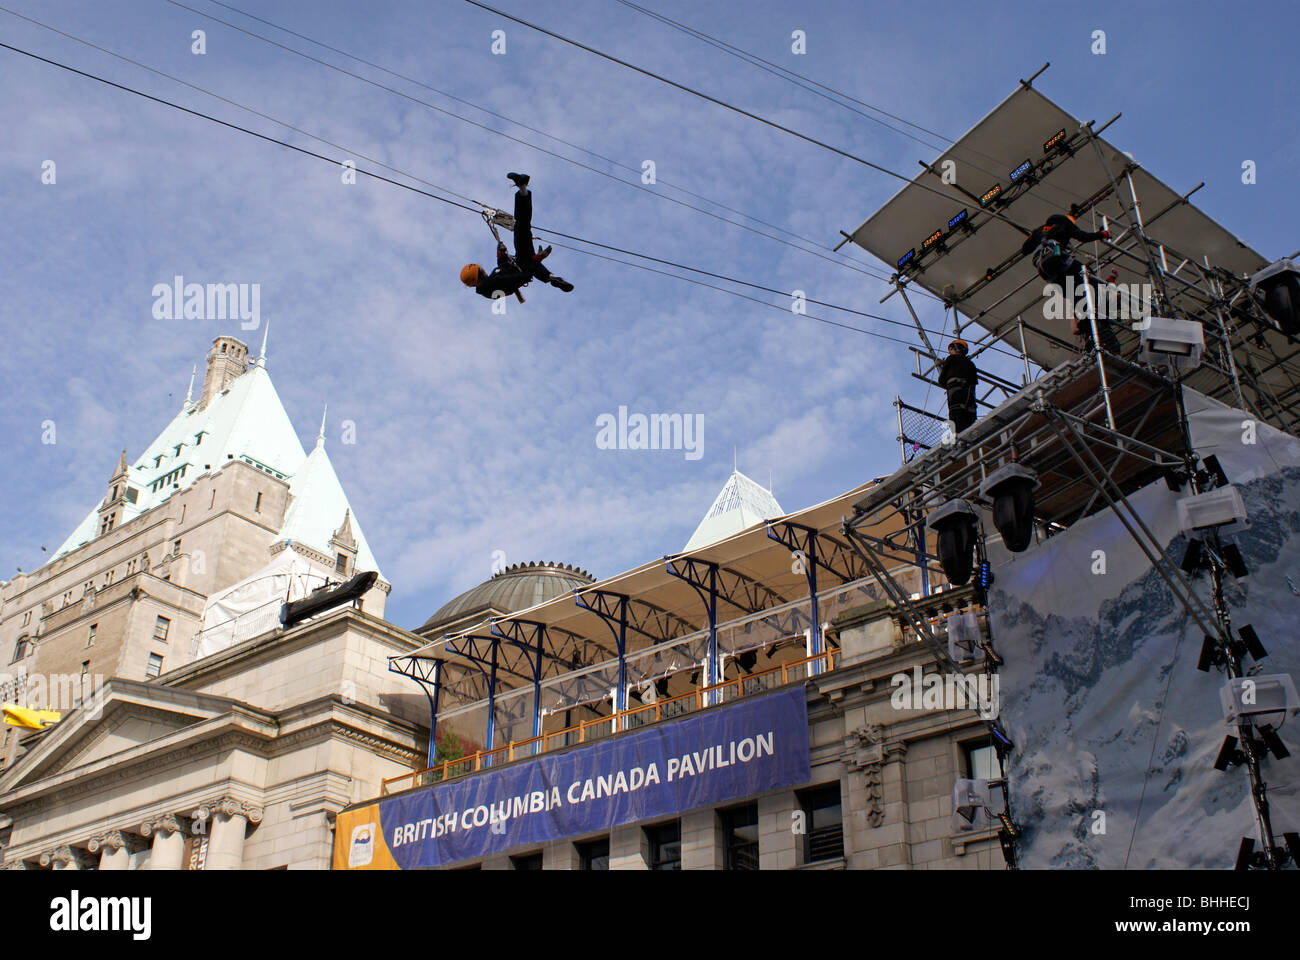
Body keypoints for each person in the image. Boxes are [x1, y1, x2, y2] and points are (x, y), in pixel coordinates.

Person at [460, 173, 574, 300]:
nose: (483, 269)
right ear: (478, 275)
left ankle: (522, 188)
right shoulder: (491, 286)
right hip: (523, 267)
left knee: (522, 227)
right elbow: (521, 277)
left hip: (520, 263)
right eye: (480, 269)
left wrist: (500, 255)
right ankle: (549, 277)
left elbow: (503, 268)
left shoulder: (490, 282)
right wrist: (536, 260)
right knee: (522, 230)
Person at [1020, 212, 1119, 354]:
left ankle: (1087, 320)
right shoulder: (1064, 225)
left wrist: (1036, 236)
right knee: (1089, 276)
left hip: (1048, 274)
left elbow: (1024, 250)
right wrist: (1102, 234)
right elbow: (1083, 237)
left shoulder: (1039, 230)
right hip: (1063, 263)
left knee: (1073, 295)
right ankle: (1099, 302)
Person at [938, 339, 978, 434]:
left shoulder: (951, 359)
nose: (950, 351)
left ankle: (959, 440)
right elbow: (974, 383)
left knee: (956, 422)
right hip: (970, 398)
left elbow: (941, 380)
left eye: (950, 349)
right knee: (969, 422)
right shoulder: (971, 364)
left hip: (956, 395)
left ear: (953, 348)